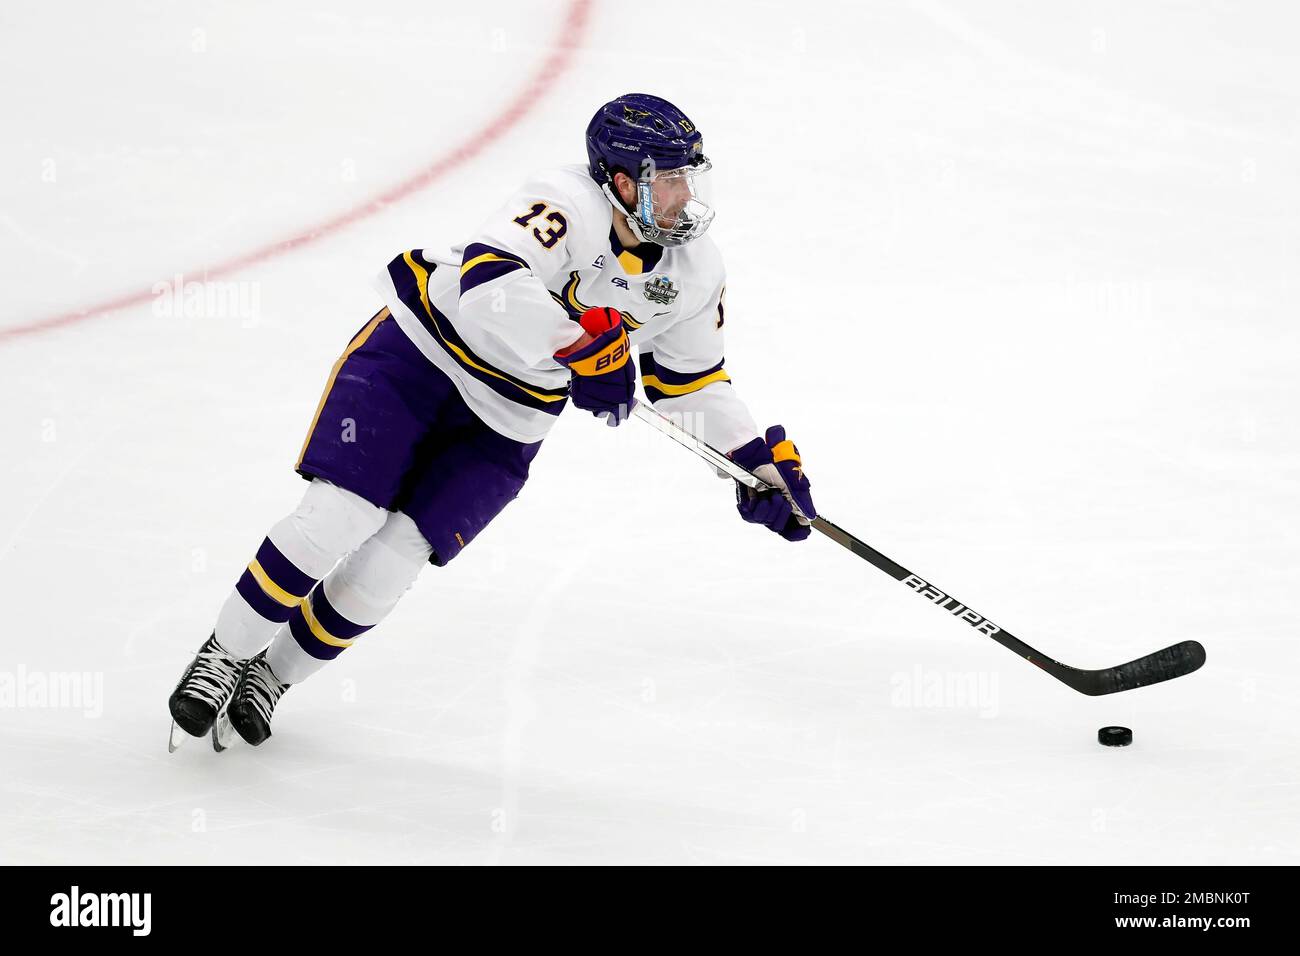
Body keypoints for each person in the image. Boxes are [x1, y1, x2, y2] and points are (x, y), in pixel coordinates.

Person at [168, 93, 817, 749]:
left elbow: (691, 380)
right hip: (419, 355)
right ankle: (225, 653)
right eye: (667, 179)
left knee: (395, 559)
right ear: (620, 182)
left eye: (688, 178)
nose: (684, 195)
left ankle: (272, 677)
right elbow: (488, 280)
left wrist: (752, 457)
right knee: (341, 514)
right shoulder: (564, 200)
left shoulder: (695, 272)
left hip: (510, 413)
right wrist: (580, 346)